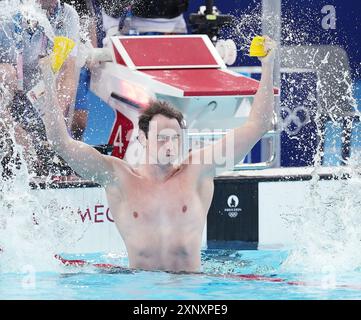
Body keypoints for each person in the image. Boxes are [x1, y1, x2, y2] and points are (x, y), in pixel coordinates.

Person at [36, 36, 276, 273]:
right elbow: (61, 143)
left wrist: (267, 66)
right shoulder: (119, 177)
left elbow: (258, 126)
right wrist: (48, 78)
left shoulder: (197, 170)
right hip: (140, 289)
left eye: (175, 138)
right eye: (162, 138)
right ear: (142, 138)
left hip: (191, 291)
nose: (170, 146)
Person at [0, 0, 79, 177]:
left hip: (37, 93)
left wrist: (54, 122)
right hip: (6, 95)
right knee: (6, 73)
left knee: (55, 146)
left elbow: (68, 73)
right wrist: (12, 127)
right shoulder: (5, 11)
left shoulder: (66, 15)